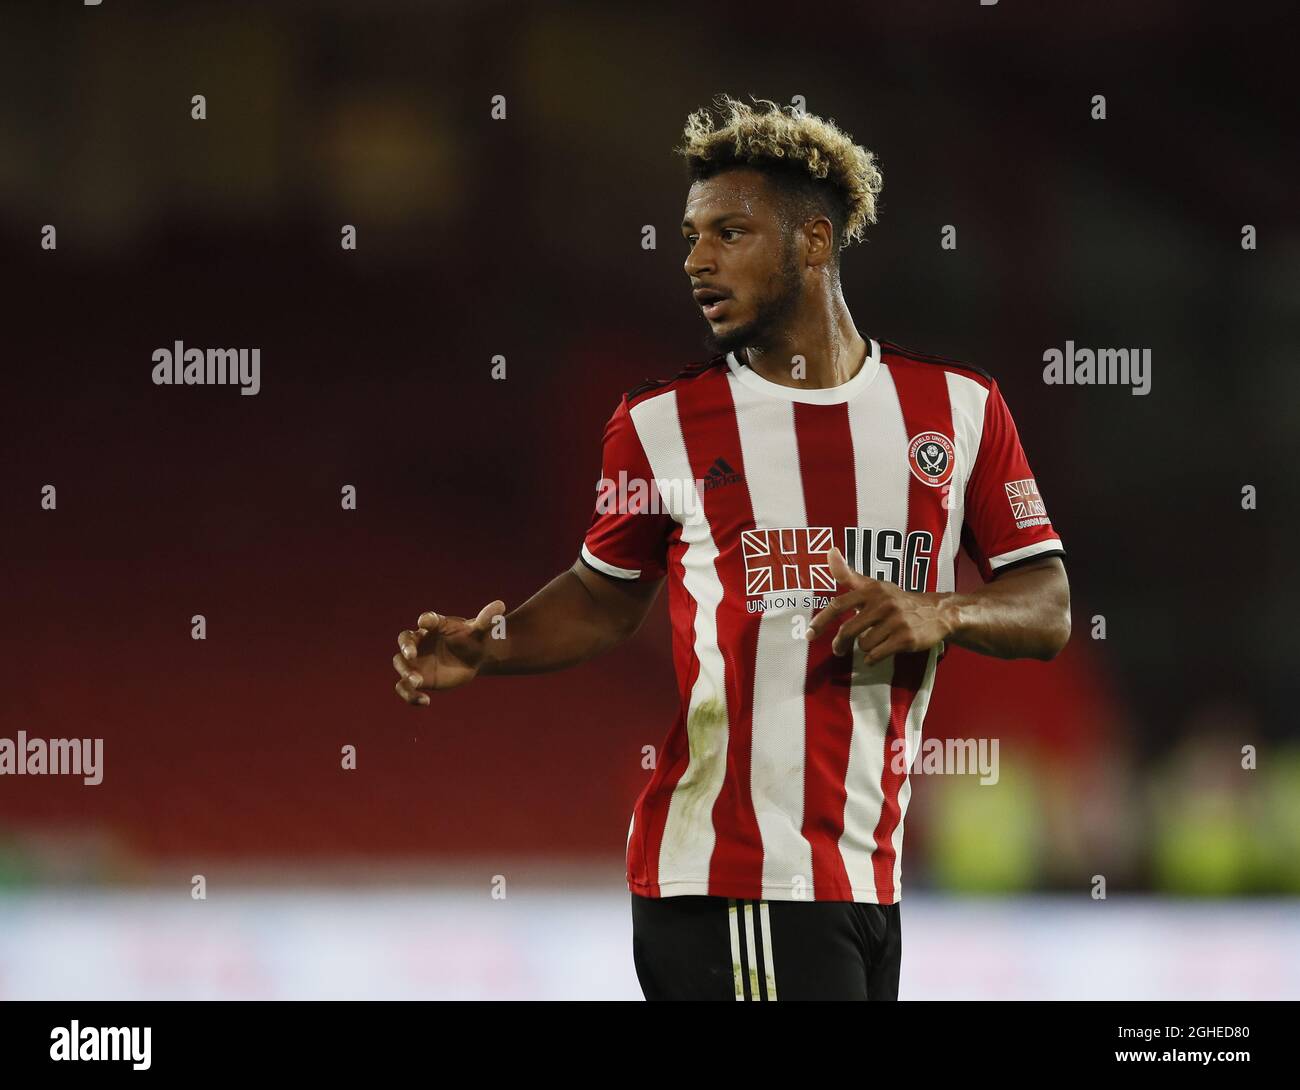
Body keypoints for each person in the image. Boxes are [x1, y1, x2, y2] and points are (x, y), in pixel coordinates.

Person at [391, 94, 1071, 1000]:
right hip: (734, 882)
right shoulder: (661, 423)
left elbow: (1047, 602)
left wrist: (937, 608)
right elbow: (603, 596)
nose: (697, 262)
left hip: (868, 883)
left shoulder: (960, 412)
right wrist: (497, 641)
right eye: (689, 237)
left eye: (731, 233)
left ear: (816, 242)